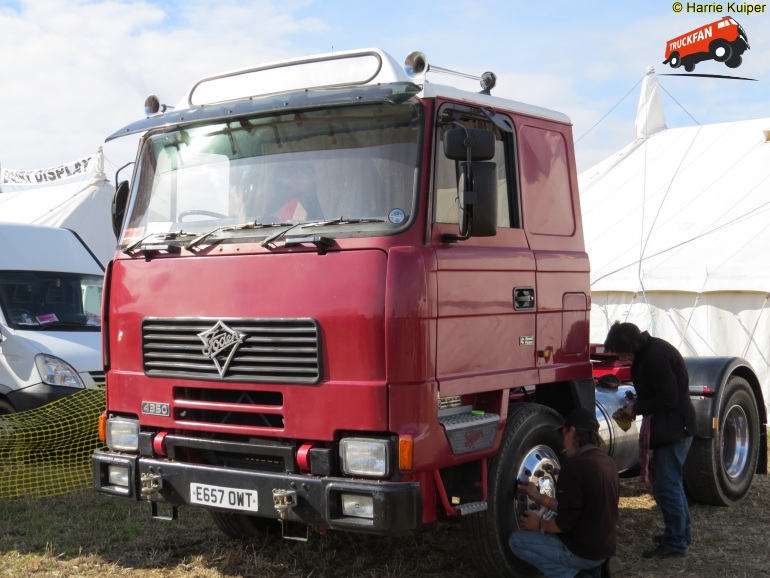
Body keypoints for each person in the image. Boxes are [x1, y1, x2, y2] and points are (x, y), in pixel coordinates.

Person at [604, 321, 697, 559]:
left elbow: (668, 399)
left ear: (629, 345)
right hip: (673, 427)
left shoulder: (655, 357)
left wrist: (636, 408)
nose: (621, 357)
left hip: (674, 429)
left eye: (621, 352)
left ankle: (676, 541)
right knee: (671, 484)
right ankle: (681, 534)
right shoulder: (652, 351)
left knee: (667, 487)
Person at [509, 407, 622, 578]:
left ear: (573, 432)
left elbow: (563, 524)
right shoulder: (608, 463)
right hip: (604, 550)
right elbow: (575, 507)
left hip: (582, 552)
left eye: (564, 434)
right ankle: (599, 570)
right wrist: (538, 497)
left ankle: (578, 575)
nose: (563, 442)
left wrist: (538, 524)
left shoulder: (574, 466)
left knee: (517, 541)